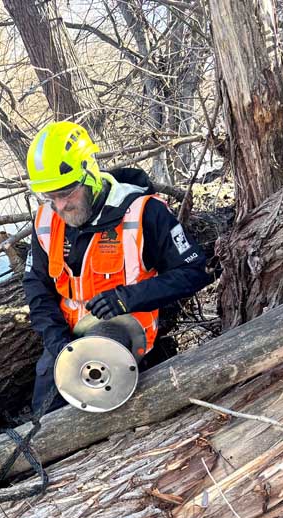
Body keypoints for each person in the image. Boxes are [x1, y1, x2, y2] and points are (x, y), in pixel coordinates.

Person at [23, 121, 210, 413]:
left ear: (90, 172)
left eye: (67, 192)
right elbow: (37, 287)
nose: (60, 206)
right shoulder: (46, 222)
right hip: (67, 342)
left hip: (130, 343)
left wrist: (126, 298)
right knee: (45, 424)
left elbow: (194, 271)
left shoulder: (143, 212)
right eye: (50, 197)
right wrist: (57, 340)